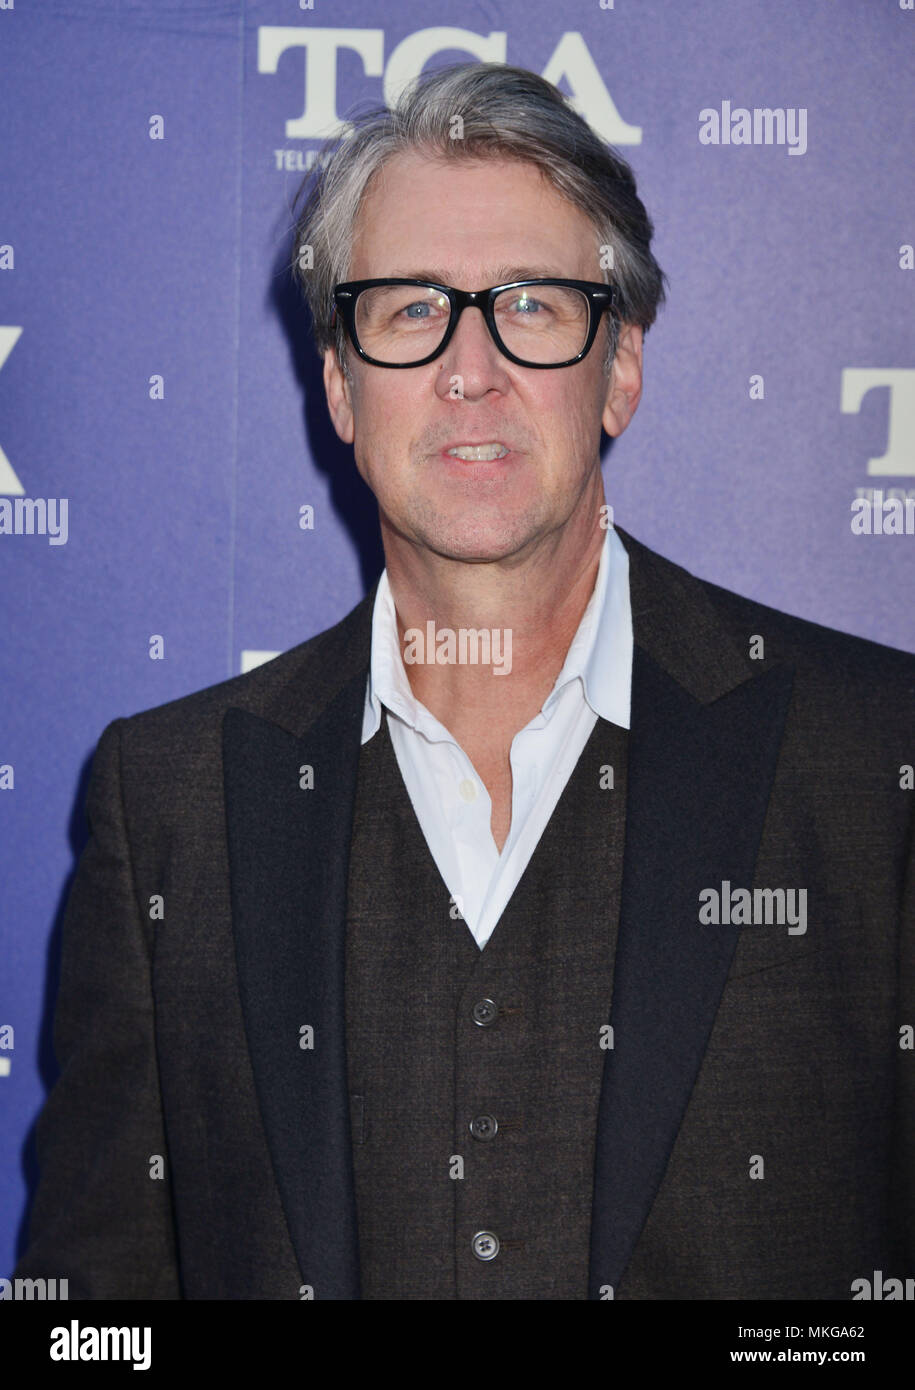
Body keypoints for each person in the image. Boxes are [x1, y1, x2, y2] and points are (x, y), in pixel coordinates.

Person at [14, 62, 914, 1300]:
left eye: (532, 305)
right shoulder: (168, 804)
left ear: (623, 365)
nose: (469, 369)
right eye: (407, 309)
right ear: (341, 382)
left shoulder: (876, 764)